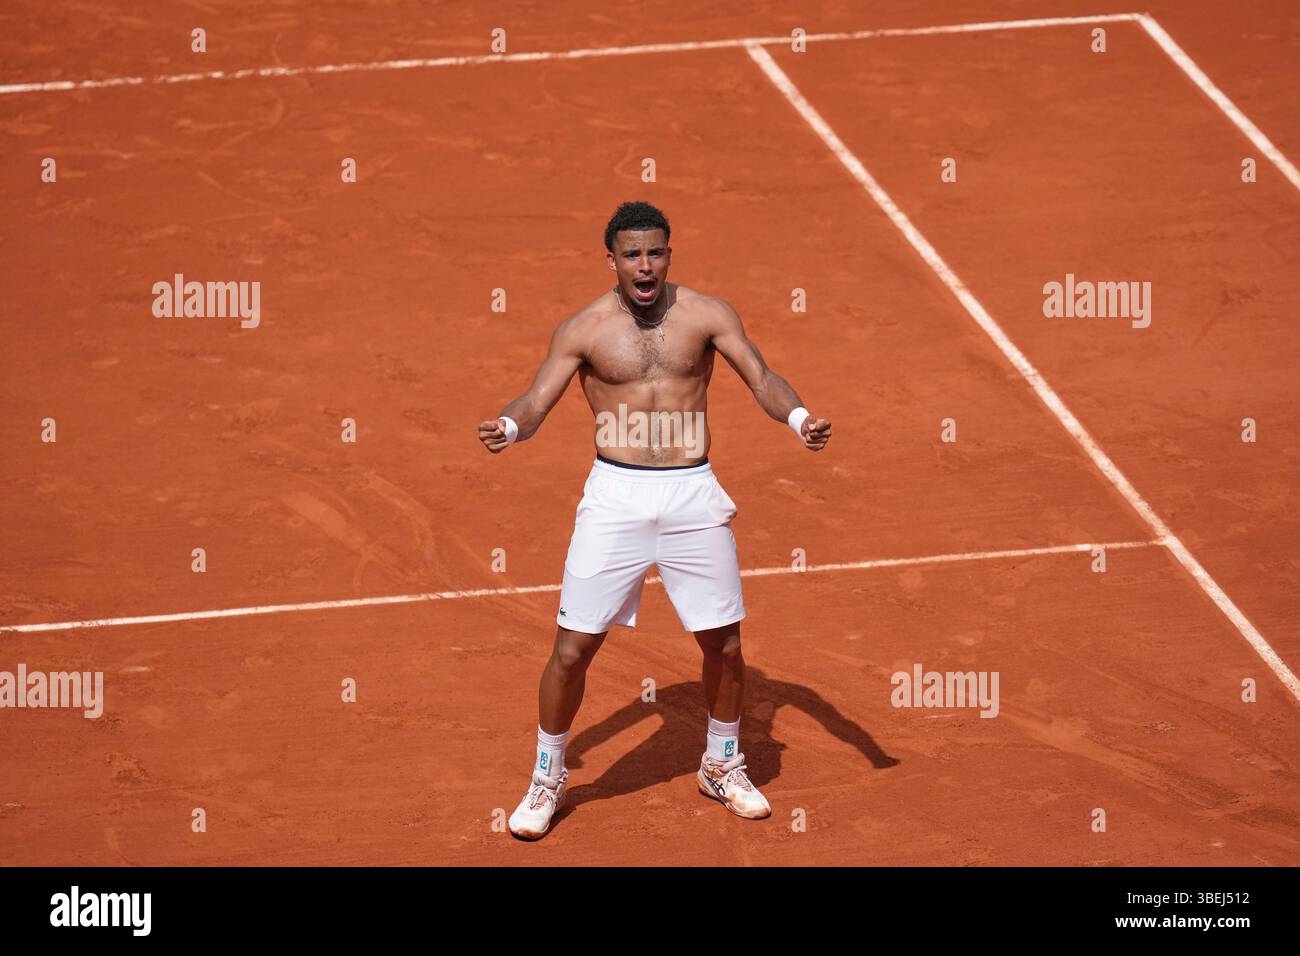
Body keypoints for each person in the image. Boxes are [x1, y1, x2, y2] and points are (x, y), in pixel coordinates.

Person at [478, 201, 831, 840]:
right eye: (632, 254)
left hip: (693, 494)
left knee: (723, 644)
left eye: (656, 252)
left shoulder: (708, 315)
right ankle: (547, 776)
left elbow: (762, 377)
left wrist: (800, 419)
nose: (646, 265)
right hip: (615, 498)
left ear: (670, 253)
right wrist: (507, 427)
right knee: (574, 648)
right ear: (611, 259)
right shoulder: (583, 329)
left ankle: (721, 763)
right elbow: (534, 404)